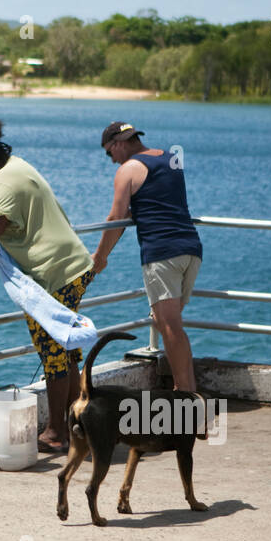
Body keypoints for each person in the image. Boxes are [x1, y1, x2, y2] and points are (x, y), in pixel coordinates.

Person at [0, 120, 93, 451]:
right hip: (70, 266)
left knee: (54, 353)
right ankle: (74, 426)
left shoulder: (5, 181)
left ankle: (56, 432)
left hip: (54, 273)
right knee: (65, 352)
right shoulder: (17, 167)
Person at [92, 121, 202, 392]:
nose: (111, 160)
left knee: (171, 327)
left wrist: (99, 257)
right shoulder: (170, 159)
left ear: (118, 144)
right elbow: (160, 201)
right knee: (167, 324)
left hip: (162, 253)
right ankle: (184, 388)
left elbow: (116, 218)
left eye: (109, 153)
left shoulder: (127, 170)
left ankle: (187, 397)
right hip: (190, 248)